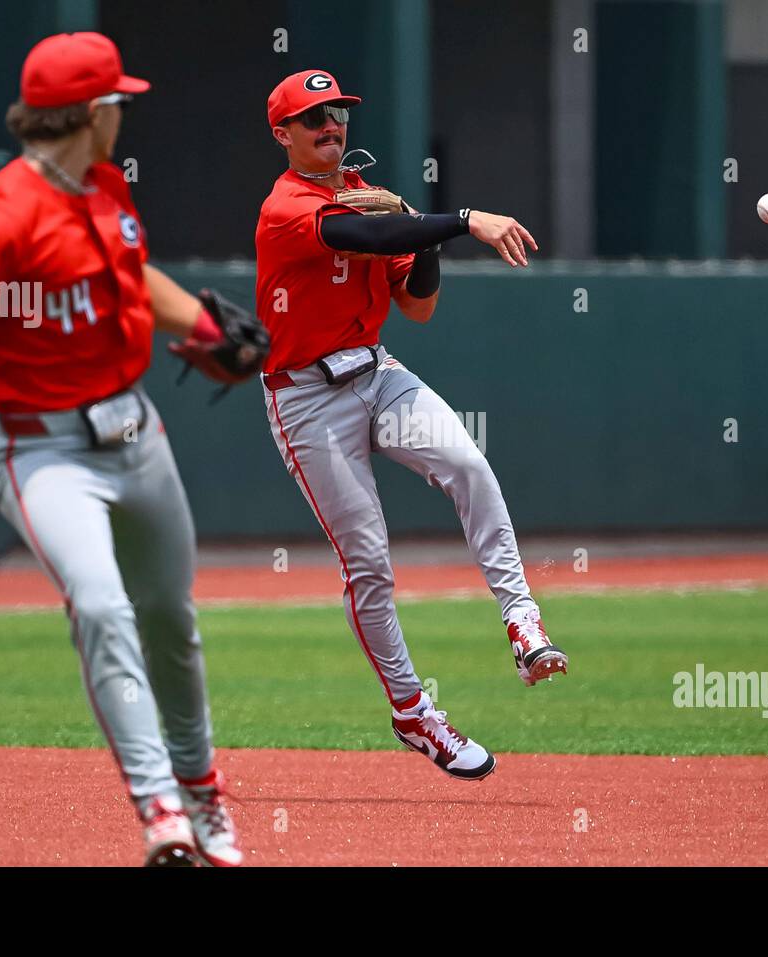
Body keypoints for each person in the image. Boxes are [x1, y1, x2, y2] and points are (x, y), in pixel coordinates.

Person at [0, 32, 260, 866]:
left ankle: (202, 795)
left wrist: (204, 330)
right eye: (118, 103)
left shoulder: (103, 185)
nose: (124, 116)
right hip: (41, 450)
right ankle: (160, 811)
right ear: (93, 113)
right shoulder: (3, 215)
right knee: (100, 604)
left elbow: (134, 280)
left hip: (135, 432)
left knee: (171, 619)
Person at [254, 70, 568, 781]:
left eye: (337, 113)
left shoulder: (370, 201)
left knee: (469, 464)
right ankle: (412, 712)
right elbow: (355, 232)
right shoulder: (287, 206)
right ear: (284, 135)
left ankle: (522, 619)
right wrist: (459, 220)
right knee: (368, 562)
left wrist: (423, 236)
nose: (331, 126)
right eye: (312, 119)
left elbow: (418, 303)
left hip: (376, 370)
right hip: (305, 396)